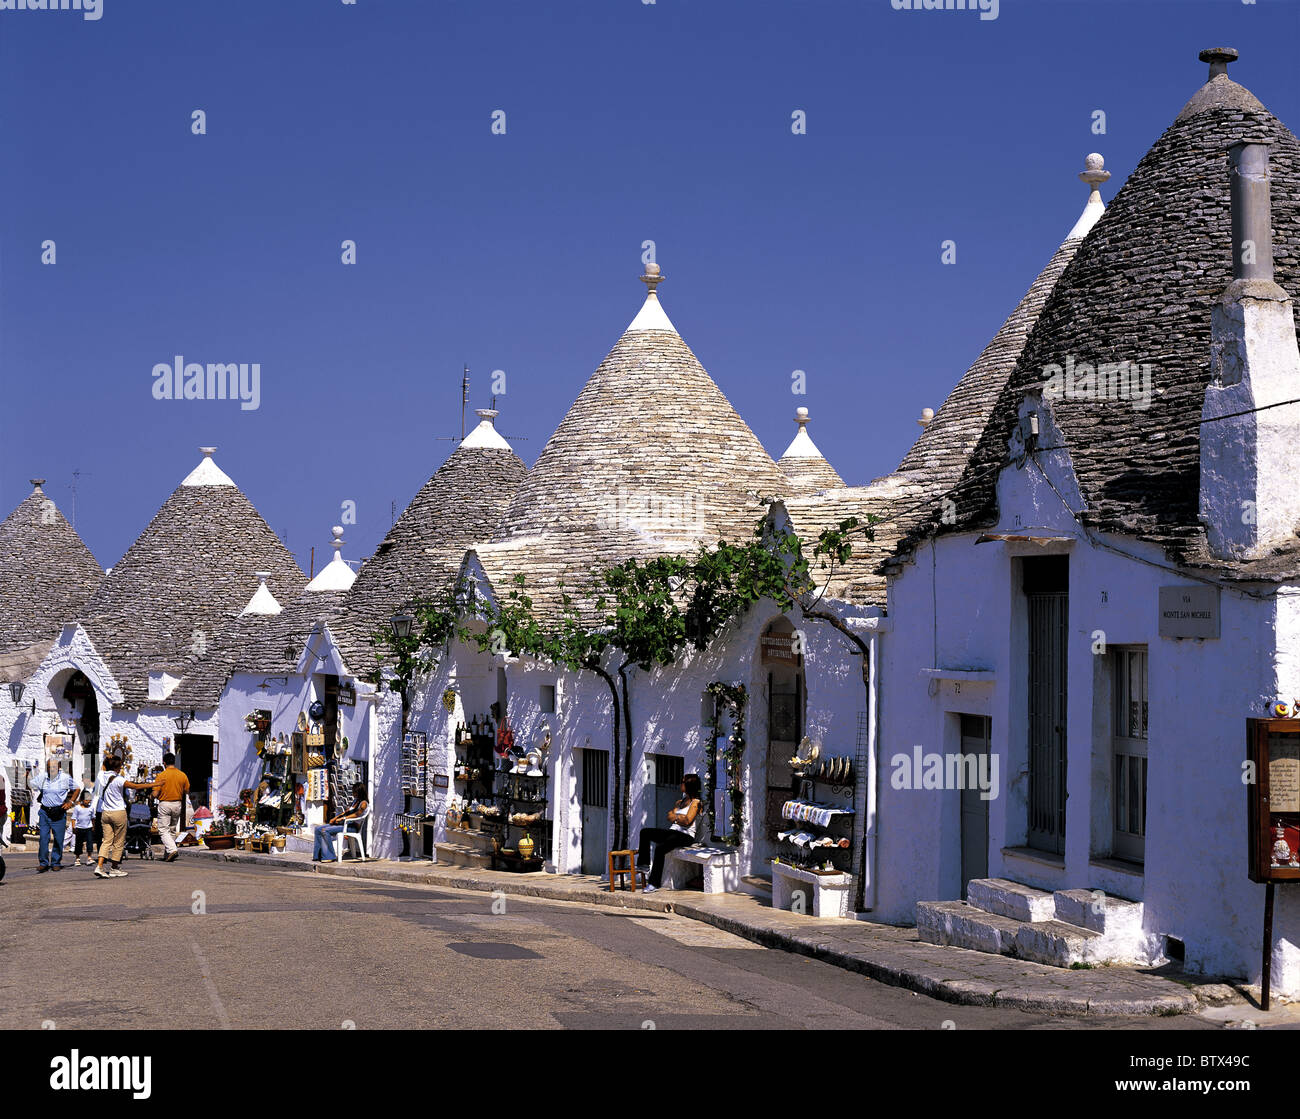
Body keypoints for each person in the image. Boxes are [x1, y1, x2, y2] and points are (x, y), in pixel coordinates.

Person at [635, 774, 703, 893]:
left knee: (660, 849)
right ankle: (643, 864)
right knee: (645, 832)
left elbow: (687, 821)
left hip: (686, 836)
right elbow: (669, 816)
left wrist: (676, 817)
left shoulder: (696, 802)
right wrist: (679, 817)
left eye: (683, 783)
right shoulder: (680, 801)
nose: (680, 785)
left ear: (689, 785)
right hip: (673, 832)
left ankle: (653, 884)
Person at [133, 752, 188, 862]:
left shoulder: (161, 776)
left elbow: (155, 794)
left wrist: (151, 796)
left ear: (164, 763)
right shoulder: (182, 775)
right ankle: (168, 854)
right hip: (177, 803)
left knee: (163, 829)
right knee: (172, 829)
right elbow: (186, 791)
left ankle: (172, 849)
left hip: (165, 804)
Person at [32, 759, 77, 872]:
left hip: (58, 812)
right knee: (43, 837)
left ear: (58, 767)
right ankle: (43, 862)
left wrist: (70, 803)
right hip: (45, 812)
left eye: (53, 767)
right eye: (49, 767)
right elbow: (32, 784)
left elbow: (77, 789)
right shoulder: (43, 777)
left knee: (58, 838)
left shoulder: (65, 778)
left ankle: (56, 862)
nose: (51, 769)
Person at [93, 756, 130, 879]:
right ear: (117, 767)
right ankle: (114, 867)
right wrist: (155, 784)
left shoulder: (101, 776)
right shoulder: (119, 779)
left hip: (105, 812)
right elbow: (132, 787)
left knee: (106, 841)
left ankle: (99, 866)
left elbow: (97, 791)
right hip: (118, 811)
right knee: (118, 841)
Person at [313, 784, 369, 862]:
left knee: (325, 830)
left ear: (359, 792)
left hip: (352, 827)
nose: (353, 793)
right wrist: (336, 818)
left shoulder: (364, 803)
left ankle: (329, 856)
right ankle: (318, 855)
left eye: (354, 791)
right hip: (345, 824)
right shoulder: (355, 801)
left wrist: (344, 818)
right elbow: (346, 811)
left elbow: (357, 814)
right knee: (318, 829)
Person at [71, 793, 95, 866]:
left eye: (89, 800)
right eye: (86, 800)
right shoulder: (77, 808)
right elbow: (73, 818)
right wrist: (73, 827)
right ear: (82, 800)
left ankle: (89, 857)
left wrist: (93, 826)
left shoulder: (91, 808)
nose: (88, 801)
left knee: (90, 843)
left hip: (88, 828)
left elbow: (93, 818)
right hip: (79, 828)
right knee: (78, 843)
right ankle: (77, 858)